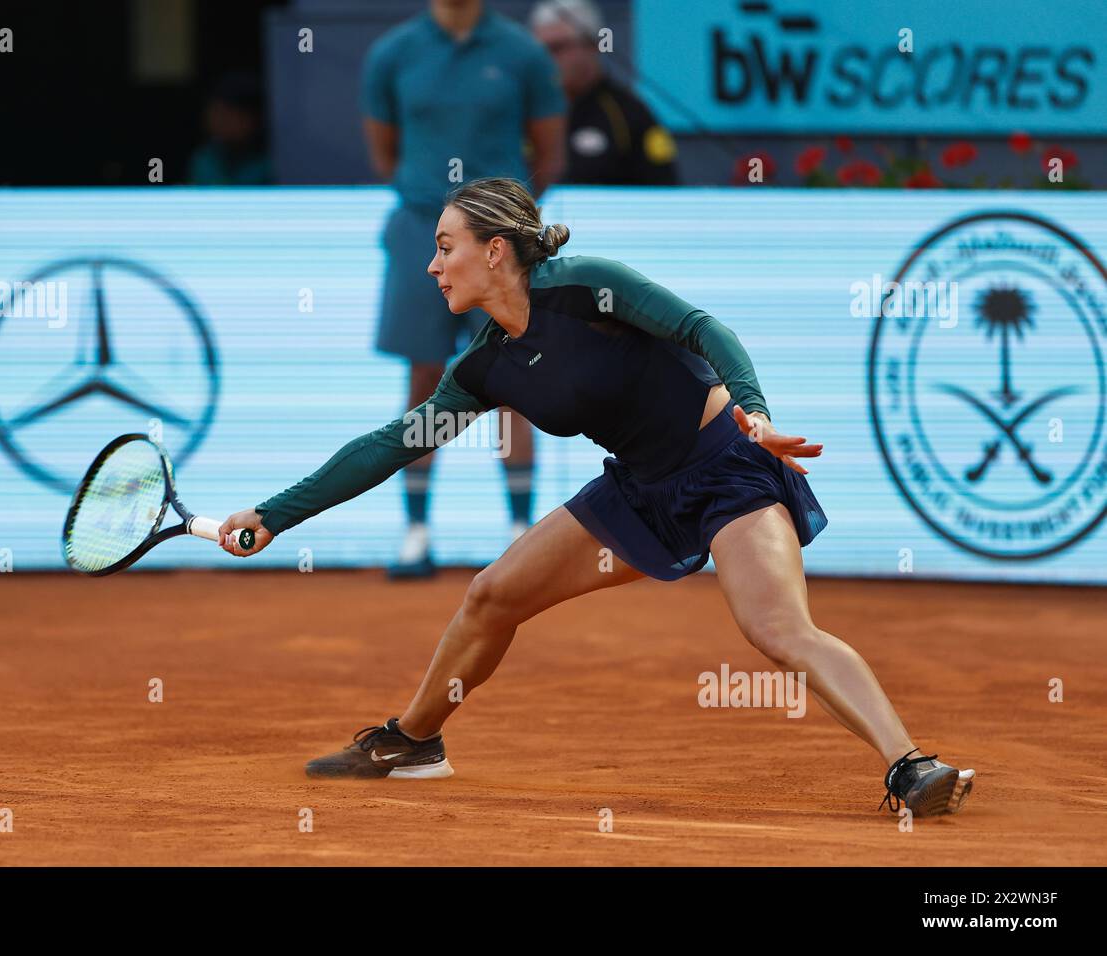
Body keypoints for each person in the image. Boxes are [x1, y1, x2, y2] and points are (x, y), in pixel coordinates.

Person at [216, 177, 975, 818]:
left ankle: (908, 765)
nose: (432, 266)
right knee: (491, 596)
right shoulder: (484, 370)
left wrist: (756, 411)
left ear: (496, 250)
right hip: (636, 492)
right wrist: (274, 515)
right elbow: (391, 444)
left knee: (777, 628)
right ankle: (413, 739)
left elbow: (702, 328)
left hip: (725, 469)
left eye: (445, 247)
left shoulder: (587, 287)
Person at [361, 0, 566, 577]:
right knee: (424, 378)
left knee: (514, 380)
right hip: (420, 229)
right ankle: (416, 534)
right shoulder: (393, 53)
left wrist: (497, 218)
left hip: (502, 242)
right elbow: (385, 155)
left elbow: (548, 152)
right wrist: (441, 218)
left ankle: (521, 537)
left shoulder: (522, 52)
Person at [530, 0, 679, 185]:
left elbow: (662, 192)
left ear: (592, 44)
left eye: (557, 48)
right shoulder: (522, 111)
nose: (546, 59)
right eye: (539, 50)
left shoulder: (627, 114)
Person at [187, 73, 272, 186]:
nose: (218, 122)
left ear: (252, 119)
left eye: (227, 115)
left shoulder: (270, 164)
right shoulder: (203, 160)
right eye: (215, 113)